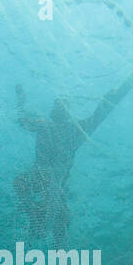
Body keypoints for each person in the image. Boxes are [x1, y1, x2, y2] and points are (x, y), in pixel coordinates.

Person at [14, 91, 94, 243]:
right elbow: (22, 120)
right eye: (57, 105)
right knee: (20, 184)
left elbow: (96, 118)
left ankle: (55, 243)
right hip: (43, 175)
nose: (57, 108)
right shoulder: (45, 124)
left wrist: (107, 100)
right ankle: (36, 218)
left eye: (61, 106)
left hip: (54, 179)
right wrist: (21, 100)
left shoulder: (73, 128)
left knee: (62, 214)